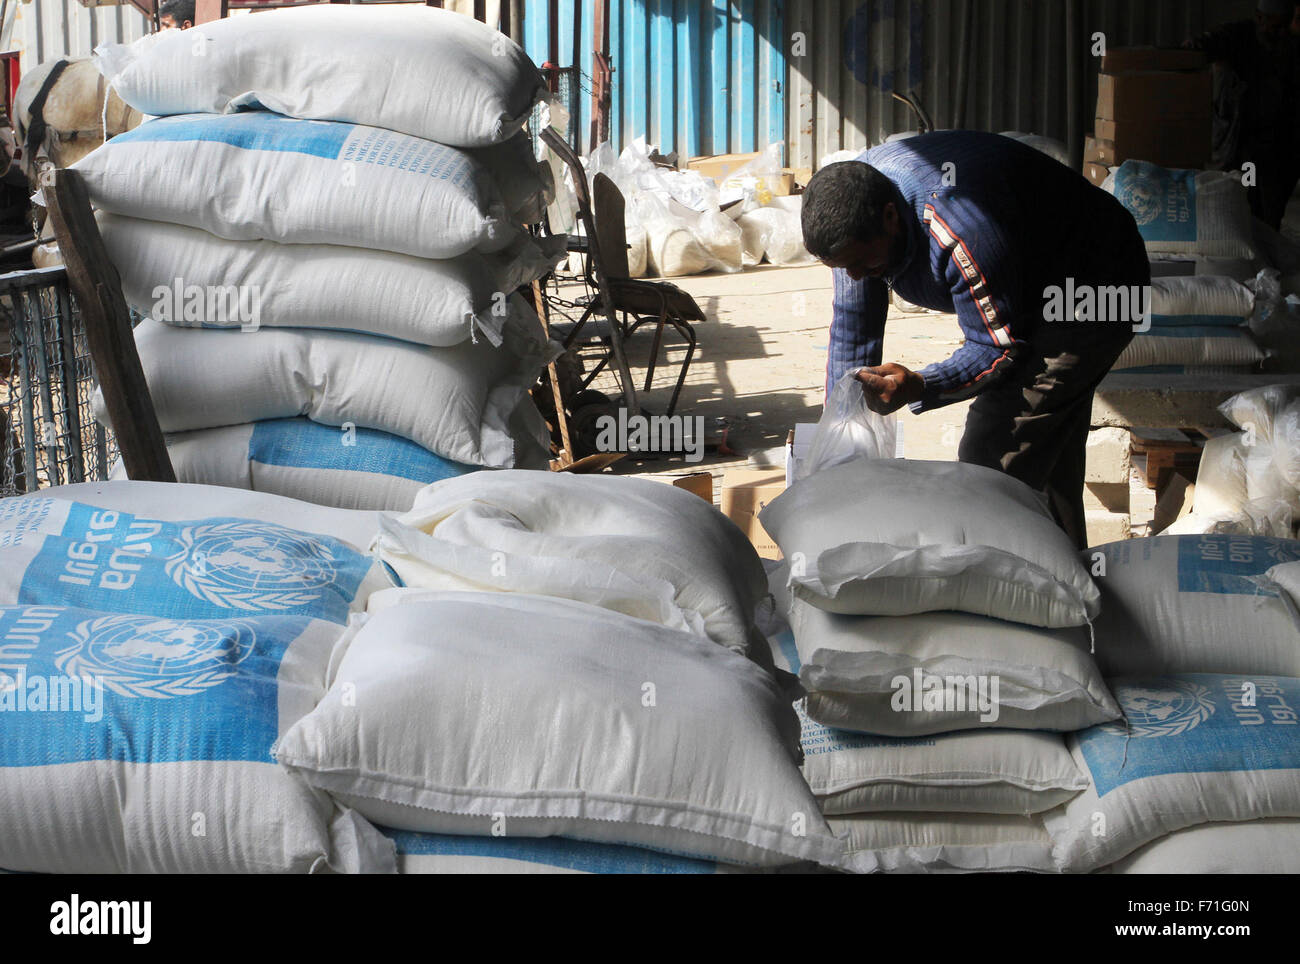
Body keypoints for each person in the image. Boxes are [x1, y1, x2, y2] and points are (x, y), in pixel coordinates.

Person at [801, 130, 1149, 549]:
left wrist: (920, 384)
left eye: (860, 263)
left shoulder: (957, 224)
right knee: (1047, 448)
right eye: (841, 267)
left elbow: (996, 347)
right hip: (1030, 272)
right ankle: (1069, 580)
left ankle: (991, 586)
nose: (854, 275)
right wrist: (842, 425)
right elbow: (854, 329)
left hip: (1094, 289)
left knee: (991, 457)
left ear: (891, 217)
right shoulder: (855, 224)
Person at [1188, 0, 1300, 229]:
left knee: (1269, 217)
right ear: (1260, 18)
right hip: (1241, 143)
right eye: (1274, 26)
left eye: (1284, 27)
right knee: (1236, 208)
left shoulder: (1291, 46)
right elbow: (1200, 46)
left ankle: (1265, 260)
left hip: (1279, 148)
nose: (1279, 33)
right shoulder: (1239, 37)